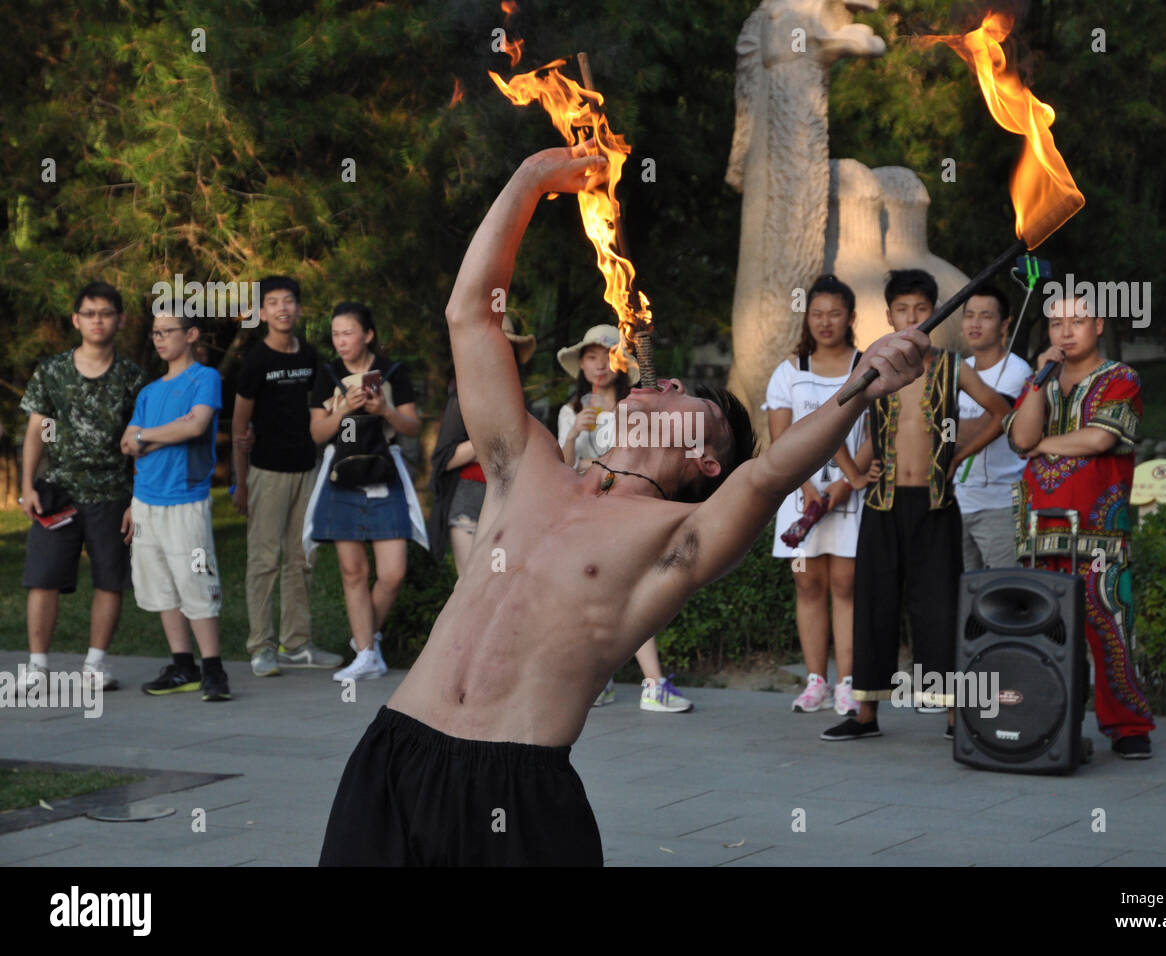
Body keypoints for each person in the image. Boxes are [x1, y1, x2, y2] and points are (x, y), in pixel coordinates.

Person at [318, 145, 930, 866]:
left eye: (689, 398)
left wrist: (863, 383)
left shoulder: (676, 537)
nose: (666, 385)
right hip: (395, 756)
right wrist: (532, 179)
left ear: (706, 461)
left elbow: (765, 477)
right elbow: (469, 319)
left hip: (515, 793)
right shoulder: (527, 466)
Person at [824, 269, 1011, 742]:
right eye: (902, 309)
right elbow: (831, 416)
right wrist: (850, 471)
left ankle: (953, 717)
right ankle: (865, 714)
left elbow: (1001, 412)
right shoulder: (872, 365)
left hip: (935, 503)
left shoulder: (950, 365)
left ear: (935, 313)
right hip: (882, 504)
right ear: (888, 316)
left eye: (921, 309)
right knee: (874, 605)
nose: (912, 317)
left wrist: (961, 455)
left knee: (939, 607)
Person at [1004, 294, 1155, 759]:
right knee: (1043, 633)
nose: (1065, 331)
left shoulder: (1121, 378)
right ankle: (1047, 720)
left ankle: (1128, 727)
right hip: (1040, 530)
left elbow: (1100, 438)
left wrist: (1043, 444)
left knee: (1109, 629)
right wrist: (1036, 384)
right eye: (1055, 323)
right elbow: (1020, 439)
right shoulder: (1041, 380)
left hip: (1098, 533)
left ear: (1098, 325)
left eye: (1077, 321)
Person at [555, 324, 692, 714]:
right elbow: (563, 469)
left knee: (629, 590)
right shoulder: (571, 411)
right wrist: (572, 438)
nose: (599, 365)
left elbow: (638, 463)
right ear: (581, 364)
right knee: (592, 595)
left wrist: (592, 464)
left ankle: (651, 682)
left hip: (625, 509)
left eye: (606, 356)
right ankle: (605, 681)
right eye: (591, 357)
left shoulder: (635, 407)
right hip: (585, 513)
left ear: (620, 363)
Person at [19, 282, 145, 693]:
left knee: (109, 579)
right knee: (43, 577)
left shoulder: (132, 377)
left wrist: (136, 499)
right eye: (89, 313)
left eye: (106, 313)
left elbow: (142, 442)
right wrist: (27, 485)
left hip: (112, 492)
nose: (97, 320)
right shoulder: (53, 371)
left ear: (120, 320)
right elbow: (38, 430)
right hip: (58, 490)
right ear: (76, 320)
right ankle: (37, 667)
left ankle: (95, 664)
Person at [304, 302, 427, 683]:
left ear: (367, 335)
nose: (340, 341)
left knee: (392, 572)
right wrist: (343, 412)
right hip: (342, 473)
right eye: (336, 334)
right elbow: (317, 433)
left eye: (348, 333)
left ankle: (365, 641)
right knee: (353, 571)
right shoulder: (328, 375)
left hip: (382, 472)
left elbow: (412, 428)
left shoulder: (391, 372)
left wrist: (385, 410)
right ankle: (368, 654)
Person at [763, 275, 866, 716]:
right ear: (808, 317)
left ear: (850, 317)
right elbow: (780, 437)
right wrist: (807, 487)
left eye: (835, 313)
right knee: (808, 585)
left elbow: (877, 430)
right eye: (817, 313)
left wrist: (846, 484)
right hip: (800, 495)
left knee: (846, 585)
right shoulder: (790, 371)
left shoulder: (866, 366)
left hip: (852, 491)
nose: (826, 322)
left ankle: (847, 682)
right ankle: (815, 682)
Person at [231, 276, 341, 677]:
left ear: (298, 309)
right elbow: (240, 431)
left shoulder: (310, 356)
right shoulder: (255, 362)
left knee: (303, 558)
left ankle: (297, 643)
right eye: (273, 302)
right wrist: (241, 483)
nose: (282, 309)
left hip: (307, 470)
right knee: (264, 560)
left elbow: (325, 409)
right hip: (266, 473)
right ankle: (261, 646)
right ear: (262, 313)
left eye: (289, 301)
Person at [123, 310, 229, 701]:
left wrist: (146, 436)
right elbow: (125, 442)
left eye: (167, 331)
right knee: (161, 584)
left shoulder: (205, 378)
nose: (159, 339)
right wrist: (152, 436)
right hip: (146, 501)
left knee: (197, 582)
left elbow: (196, 425)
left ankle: (214, 669)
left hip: (186, 501)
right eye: (155, 333)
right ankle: (183, 665)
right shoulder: (149, 392)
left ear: (191, 334)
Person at [429, 316, 536, 576]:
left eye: (504, 346)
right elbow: (443, 459)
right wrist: (486, 440)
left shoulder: (522, 402)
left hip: (509, 503)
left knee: (500, 585)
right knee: (468, 586)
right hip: (467, 499)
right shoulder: (463, 398)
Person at [954, 284, 1032, 570]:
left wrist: (933, 423)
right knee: (961, 593)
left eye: (985, 316)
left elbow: (993, 424)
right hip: (958, 501)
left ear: (1004, 324)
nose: (975, 323)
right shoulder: (958, 369)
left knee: (1003, 591)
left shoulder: (1018, 371)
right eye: (969, 315)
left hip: (1001, 505)